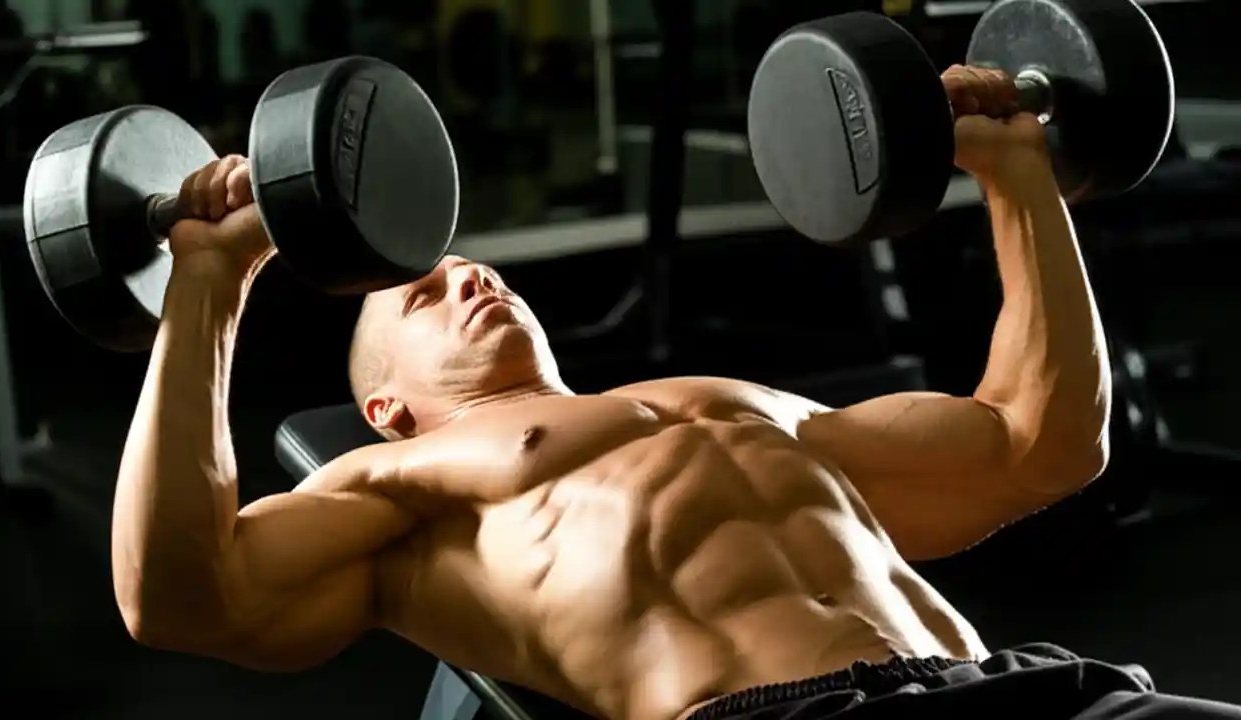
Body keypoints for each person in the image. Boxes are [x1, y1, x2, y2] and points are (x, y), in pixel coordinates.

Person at [110, 67, 1241, 720]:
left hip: (1015, 690)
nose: (465, 273)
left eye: (477, 268)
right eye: (421, 295)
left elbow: (1039, 442)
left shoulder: (732, 402)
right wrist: (207, 287)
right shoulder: (401, 487)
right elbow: (180, 595)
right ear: (384, 406)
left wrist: (1014, 177)